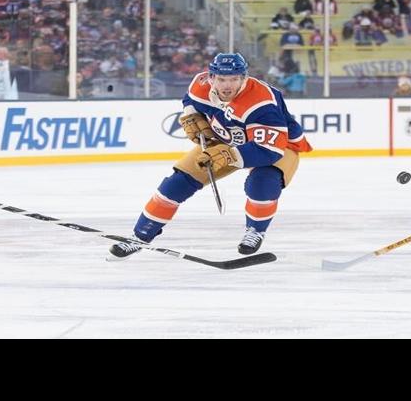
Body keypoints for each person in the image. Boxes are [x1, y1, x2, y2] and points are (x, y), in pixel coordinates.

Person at [108, 53, 312, 258]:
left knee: (262, 183)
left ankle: (256, 230)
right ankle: (140, 236)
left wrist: (227, 155)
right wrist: (192, 115)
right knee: (177, 183)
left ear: (244, 78)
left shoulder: (262, 103)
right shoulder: (201, 84)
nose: (227, 86)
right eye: (222, 79)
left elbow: (268, 150)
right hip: (225, 140)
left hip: (277, 145)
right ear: (211, 77)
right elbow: (190, 100)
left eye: (234, 79)